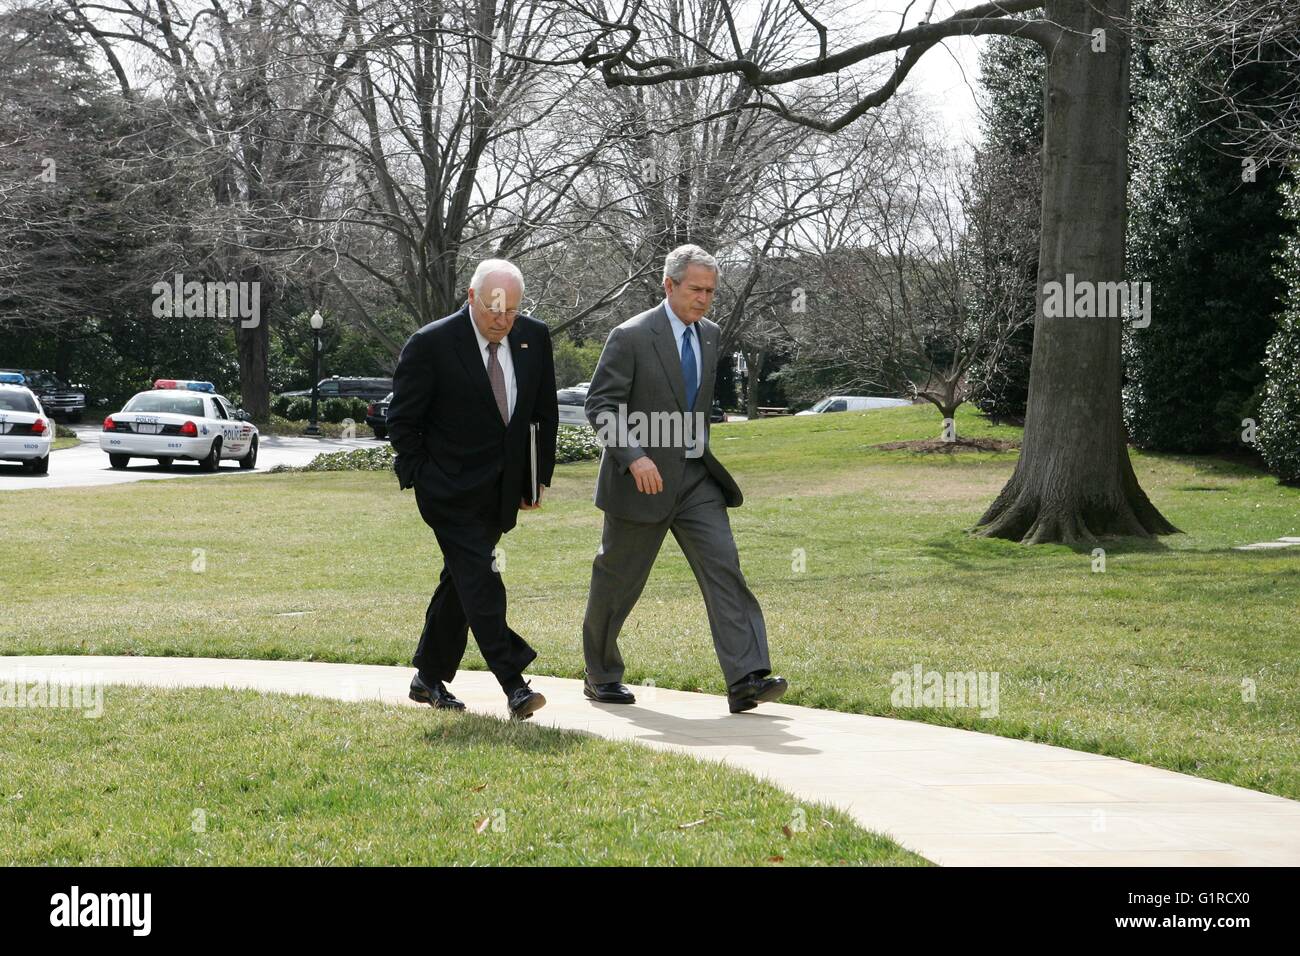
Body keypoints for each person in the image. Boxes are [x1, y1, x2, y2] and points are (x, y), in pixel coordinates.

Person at [581, 244, 788, 714]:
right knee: (618, 582)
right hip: (641, 482)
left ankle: (746, 677)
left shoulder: (711, 335)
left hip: (697, 480)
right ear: (669, 285)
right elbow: (601, 406)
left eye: (710, 291)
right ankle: (601, 674)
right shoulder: (630, 336)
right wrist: (634, 457)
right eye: (695, 289)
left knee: (724, 569)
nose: (703, 299)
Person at [386, 258, 558, 720]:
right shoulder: (432, 344)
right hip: (447, 491)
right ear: (470, 296)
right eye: (494, 310)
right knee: (482, 577)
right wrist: (422, 475)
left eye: (512, 312)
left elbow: (542, 414)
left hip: (501, 492)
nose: (503, 321)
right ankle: (514, 683)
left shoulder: (534, 338)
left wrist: (536, 478)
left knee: (462, 582)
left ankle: (427, 677)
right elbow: (401, 421)